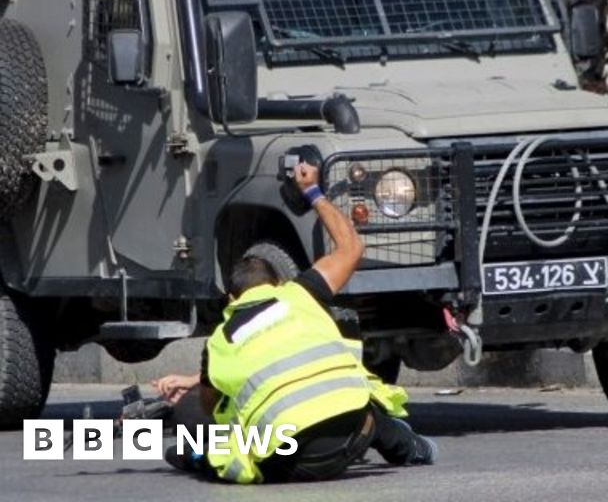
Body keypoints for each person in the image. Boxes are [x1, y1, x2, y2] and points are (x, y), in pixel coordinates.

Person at [152, 161, 437, 483]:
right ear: (276, 285)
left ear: (232, 299)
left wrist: (201, 384)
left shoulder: (220, 341)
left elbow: (214, 406)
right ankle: (416, 449)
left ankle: (192, 455)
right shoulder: (302, 294)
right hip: (355, 436)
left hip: (293, 464)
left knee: (222, 447)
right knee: (364, 405)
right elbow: (352, 246)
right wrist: (314, 192)